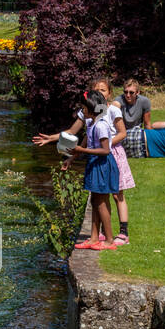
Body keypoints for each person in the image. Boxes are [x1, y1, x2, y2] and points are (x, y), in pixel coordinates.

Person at [34, 76, 133, 244]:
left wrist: (105, 144)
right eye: (96, 90)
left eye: (103, 90)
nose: (99, 93)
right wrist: (52, 139)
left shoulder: (109, 113)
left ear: (109, 93)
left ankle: (122, 232)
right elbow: (75, 133)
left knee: (117, 195)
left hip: (111, 154)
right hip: (96, 154)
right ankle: (100, 234)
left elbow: (121, 134)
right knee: (100, 197)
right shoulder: (90, 114)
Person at [66, 91, 119, 251]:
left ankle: (109, 240)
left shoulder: (101, 125)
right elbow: (88, 144)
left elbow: (105, 150)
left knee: (101, 202)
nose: (82, 110)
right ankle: (94, 238)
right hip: (95, 164)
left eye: (84, 108)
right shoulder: (93, 124)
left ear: (91, 109)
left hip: (102, 165)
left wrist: (83, 150)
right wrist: (71, 158)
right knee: (94, 201)